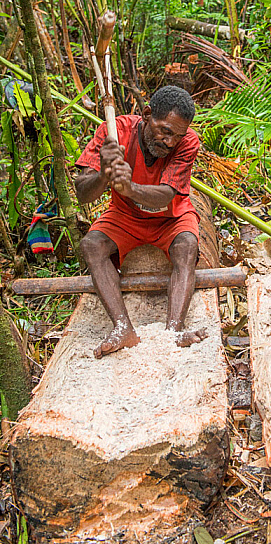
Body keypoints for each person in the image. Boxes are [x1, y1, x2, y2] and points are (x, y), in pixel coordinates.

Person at [75, 85, 205, 359]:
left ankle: (173, 331)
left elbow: (166, 196)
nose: (170, 142)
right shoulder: (113, 131)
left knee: (187, 246)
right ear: (147, 114)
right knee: (91, 245)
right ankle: (123, 328)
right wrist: (104, 176)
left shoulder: (188, 141)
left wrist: (129, 188)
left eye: (176, 136)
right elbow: (82, 193)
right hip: (124, 216)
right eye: (165, 131)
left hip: (171, 217)